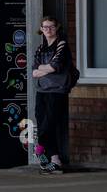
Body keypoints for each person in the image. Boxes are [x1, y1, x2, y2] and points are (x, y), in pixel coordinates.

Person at [31, 15, 75, 175]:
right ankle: (54, 159)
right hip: (42, 90)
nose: (48, 30)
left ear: (57, 28)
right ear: (41, 29)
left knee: (49, 123)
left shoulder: (61, 45)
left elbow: (55, 66)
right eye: (45, 27)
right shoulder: (40, 48)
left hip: (57, 91)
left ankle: (41, 150)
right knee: (41, 121)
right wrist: (45, 68)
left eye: (51, 27)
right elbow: (34, 70)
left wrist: (44, 69)